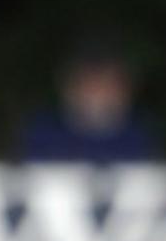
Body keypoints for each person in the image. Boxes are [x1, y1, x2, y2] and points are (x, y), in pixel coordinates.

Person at [19, 45, 156, 162]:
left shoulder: (140, 133)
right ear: (71, 88)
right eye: (91, 83)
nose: (101, 93)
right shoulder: (43, 132)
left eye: (110, 84)